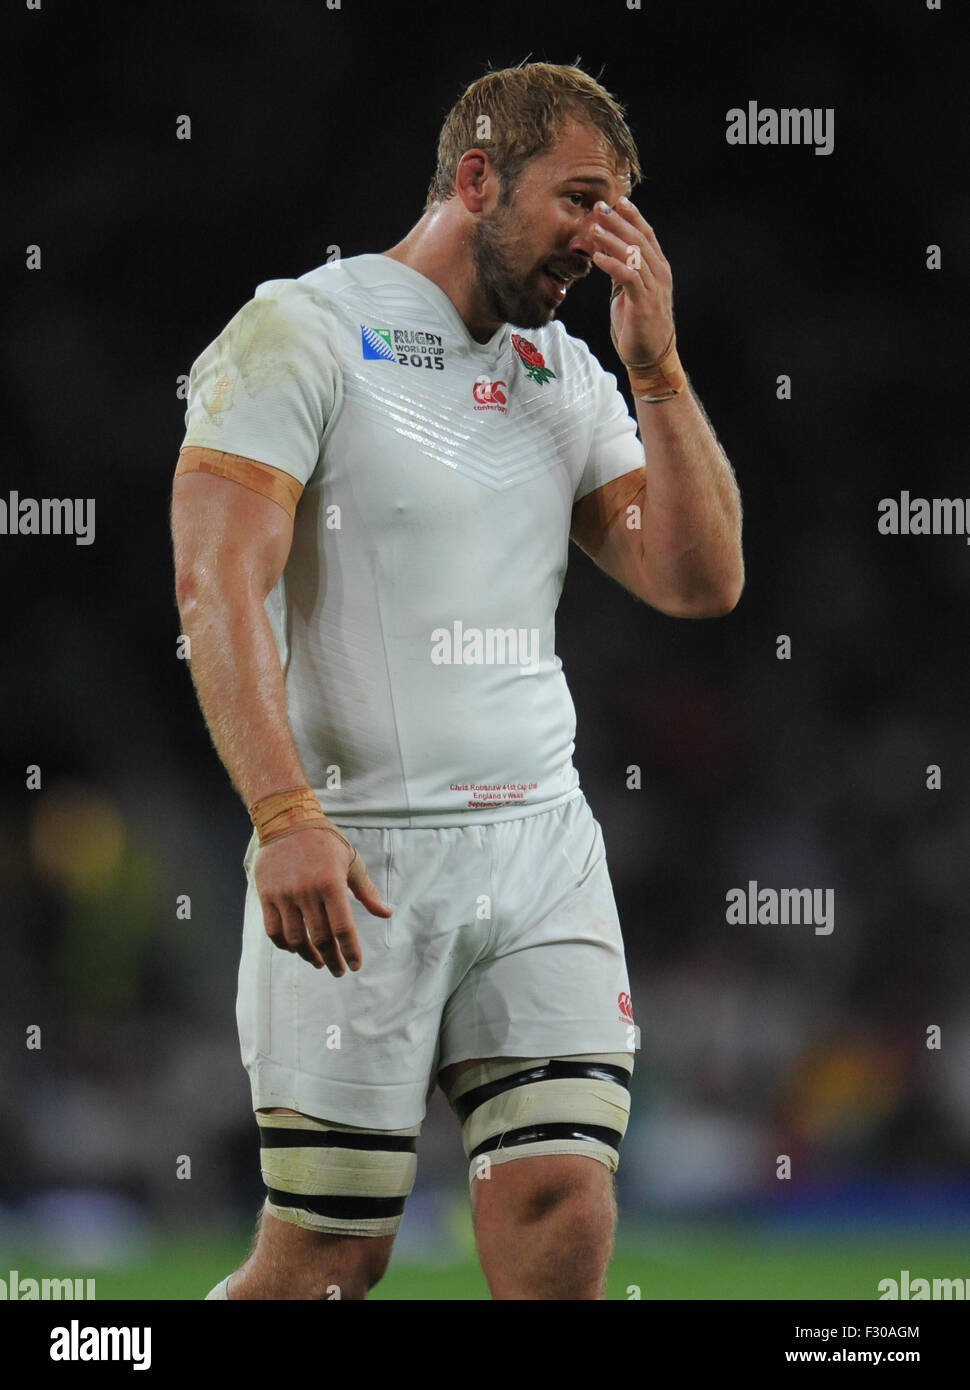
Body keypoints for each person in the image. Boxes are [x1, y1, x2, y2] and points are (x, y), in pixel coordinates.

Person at [171, 59, 743, 1301]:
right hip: (359, 851)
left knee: (561, 1198)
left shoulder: (561, 369)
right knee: (329, 1258)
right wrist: (282, 817)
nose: (600, 243)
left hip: (541, 843)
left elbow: (696, 579)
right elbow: (215, 589)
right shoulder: (300, 330)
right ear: (477, 177)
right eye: (579, 200)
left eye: (618, 211)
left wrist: (655, 369)